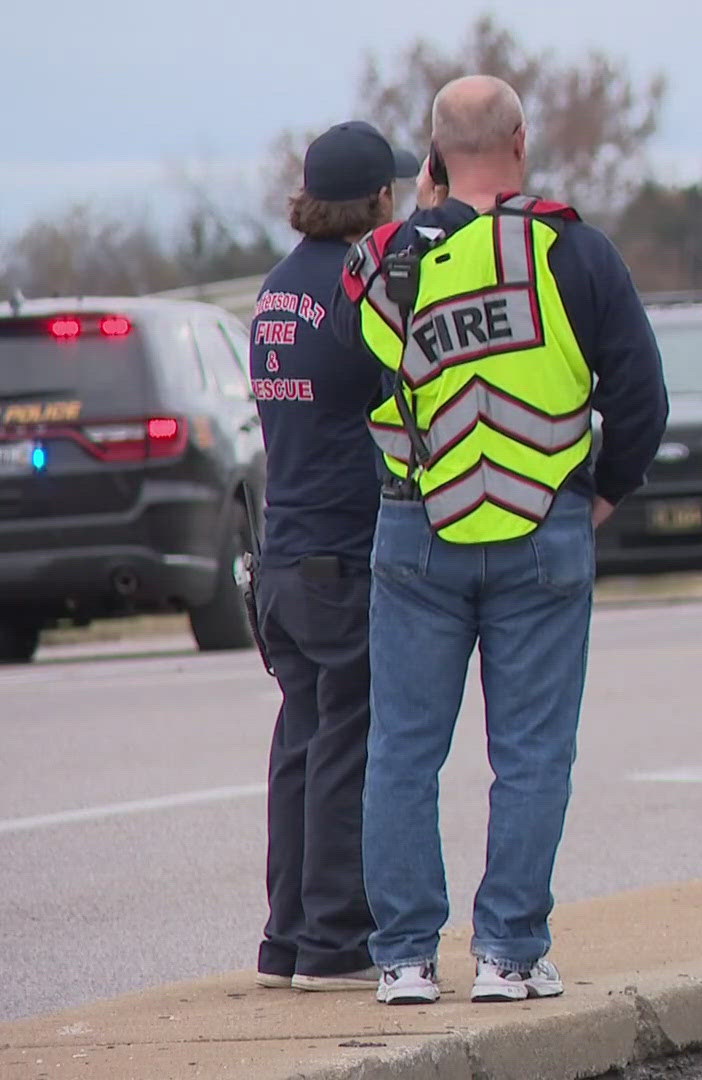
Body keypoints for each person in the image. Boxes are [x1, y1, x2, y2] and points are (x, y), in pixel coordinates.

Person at [333, 74, 668, 1006]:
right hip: (544, 527)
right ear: (521, 139)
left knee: (403, 750)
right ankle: (508, 955)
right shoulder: (572, 252)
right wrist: (602, 493)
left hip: (416, 527)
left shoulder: (380, 262)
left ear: (430, 155)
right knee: (530, 753)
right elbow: (642, 395)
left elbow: (342, 394)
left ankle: (402, 958)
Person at [250, 120, 420, 993]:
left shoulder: (278, 290)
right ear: (381, 200)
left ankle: (284, 939)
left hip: (280, 555)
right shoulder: (361, 285)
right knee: (346, 745)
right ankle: (332, 941)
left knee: (302, 742)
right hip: (341, 556)